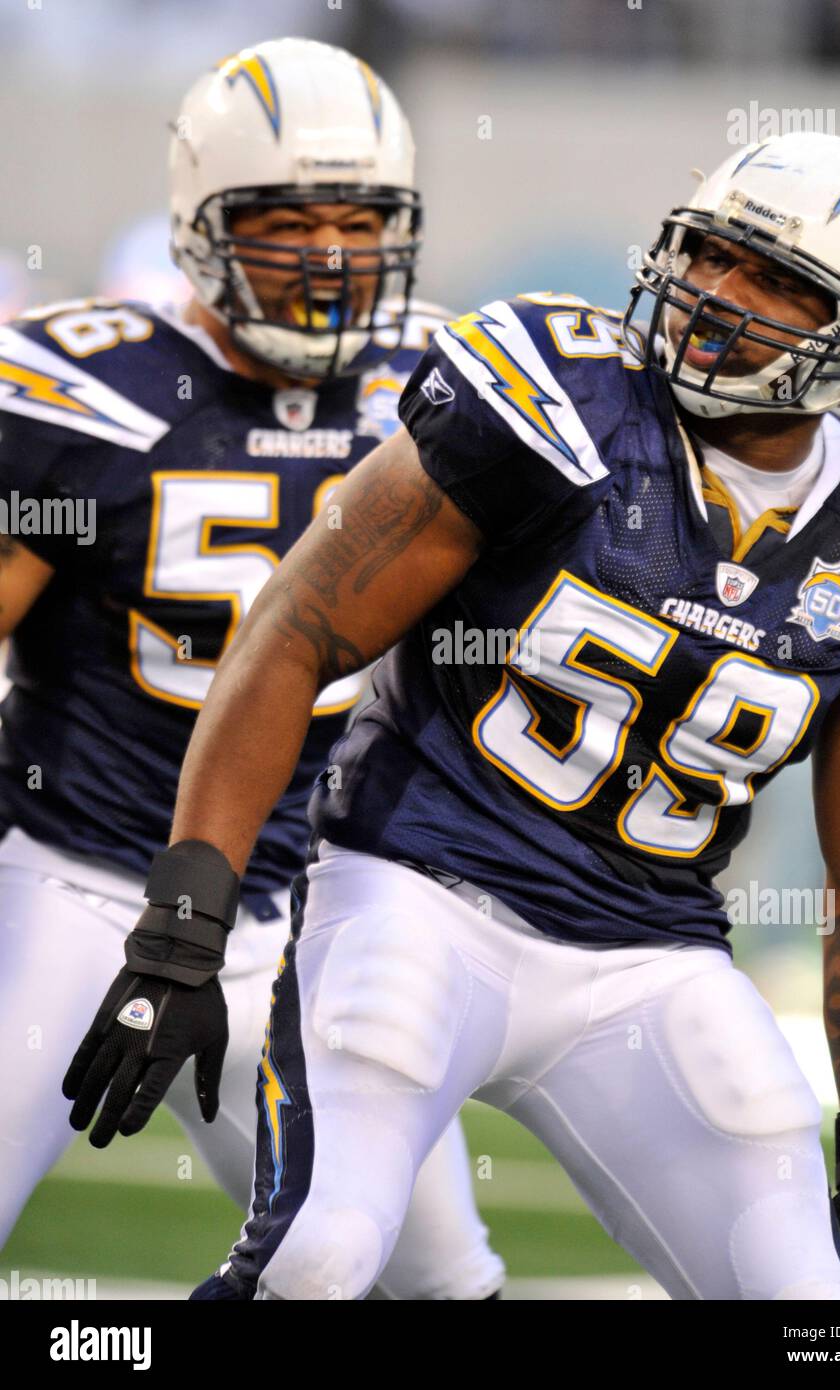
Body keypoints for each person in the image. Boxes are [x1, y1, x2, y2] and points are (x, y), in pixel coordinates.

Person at [67, 132, 840, 1301]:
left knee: (826, 1310)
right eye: (714, 257)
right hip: (420, 892)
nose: (722, 300)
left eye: (782, 286)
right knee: (326, 1253)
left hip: (650, 953)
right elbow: (294, 634)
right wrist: (185, 925)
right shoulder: (562, 398)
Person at [0, 37, 504, 1301]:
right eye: (288, 220)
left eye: (363, 218)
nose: (331, 254)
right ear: (203, 221)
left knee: (434, 1277)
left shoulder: (450, 389)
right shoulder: (88, 384)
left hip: (304, 915)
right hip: (77, 875)